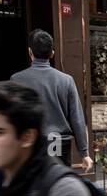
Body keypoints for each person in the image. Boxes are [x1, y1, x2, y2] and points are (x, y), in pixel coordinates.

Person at [11, 29, 93, 173]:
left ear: (30, 52)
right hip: (59, 145)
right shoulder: (66, 81)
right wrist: (84, 153)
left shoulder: (16, 80)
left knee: (33, 188)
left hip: (29, 145)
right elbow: (77, 118)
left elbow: (12, 117)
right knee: (58, 187)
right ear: (52, 53)